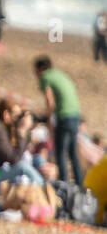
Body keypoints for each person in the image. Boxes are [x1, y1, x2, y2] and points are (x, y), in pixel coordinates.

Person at [34, 56, 82, 185]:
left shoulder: (46, 76)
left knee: (60, 152)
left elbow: (50, 102)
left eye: (36, 72)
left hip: (64, 117)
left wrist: (47, 118)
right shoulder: (60, 74)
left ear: (41, 68)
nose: (36, 76)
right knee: (73, 153)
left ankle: (63, 186)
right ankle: (80, 185)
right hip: (75, 115)